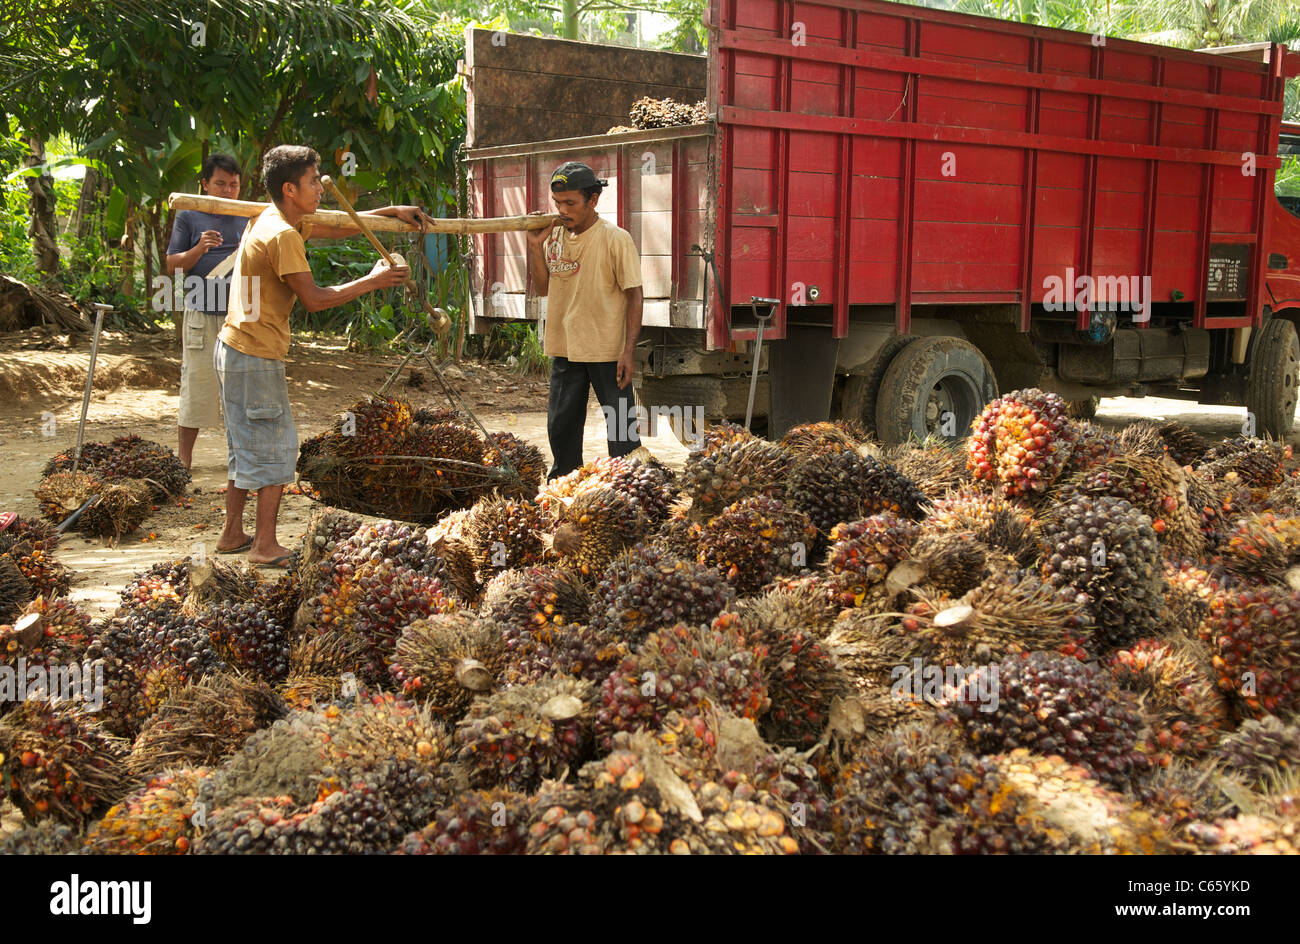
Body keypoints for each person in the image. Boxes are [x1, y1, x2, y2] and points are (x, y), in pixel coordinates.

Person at [214, 144, 431, 565]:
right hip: (255, 356)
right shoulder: (281, 235)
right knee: (276, 447)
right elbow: (314, 299)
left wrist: (389, 213)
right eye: (314, 182)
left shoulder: (273, 218)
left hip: (235, 349)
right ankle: (264, 546)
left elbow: (340, 227)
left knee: (244, 447)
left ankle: (231, 533)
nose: (321, 189)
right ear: (291, 188)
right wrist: (374, 280)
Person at [526, 161, 644, 480]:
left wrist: (628, 351)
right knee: (561, 427)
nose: (563, 210)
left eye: (570, 203)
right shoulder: (555, 238)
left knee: (622, 434)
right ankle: (565, 486)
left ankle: (630, 487)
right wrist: (536, 246)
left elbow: (635, 296)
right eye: (557, 203)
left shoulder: (615, 239)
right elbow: (542, 287)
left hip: (607, 352)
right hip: (565, 349)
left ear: (593, 201)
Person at [165, 153, 248, 471]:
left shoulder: (250, 217)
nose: (228, 190)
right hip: (201, 312)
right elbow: (173, 265)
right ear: (205, 184)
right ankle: (184, 460)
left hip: (240, 317)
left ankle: (240, 458)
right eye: (220, 184)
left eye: (233, 184)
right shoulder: (189, 215)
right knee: (197, 386)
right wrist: (200, 248)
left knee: (239, 390)